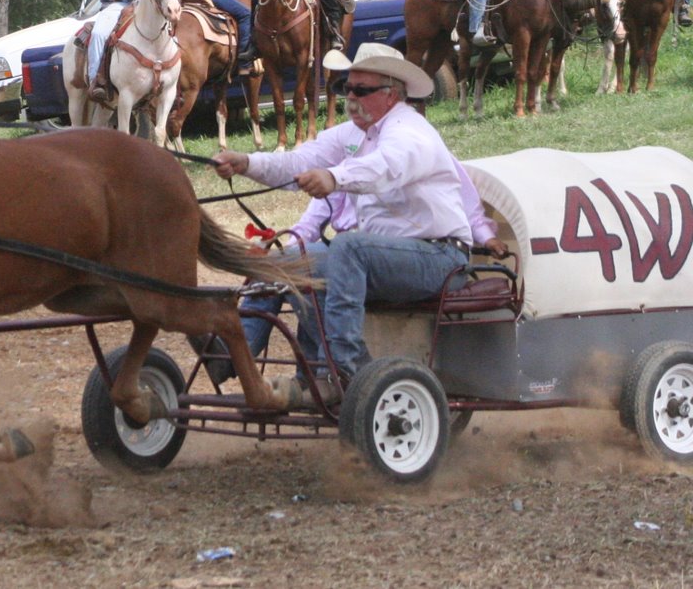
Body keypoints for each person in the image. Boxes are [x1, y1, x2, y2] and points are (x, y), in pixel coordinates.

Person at [210, 44, 491, 408]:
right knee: (290, 259)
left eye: (361, 90)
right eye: (347, 88)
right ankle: (262, 361)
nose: (350, 98)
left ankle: (347, 369)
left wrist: (334, 177)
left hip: (440, 259)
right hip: (387, 259)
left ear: (391, 94)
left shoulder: (409, 130)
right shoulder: (353, 135)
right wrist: (246, 162)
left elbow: (386, 167)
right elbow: (298, 161)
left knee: (348, 247)